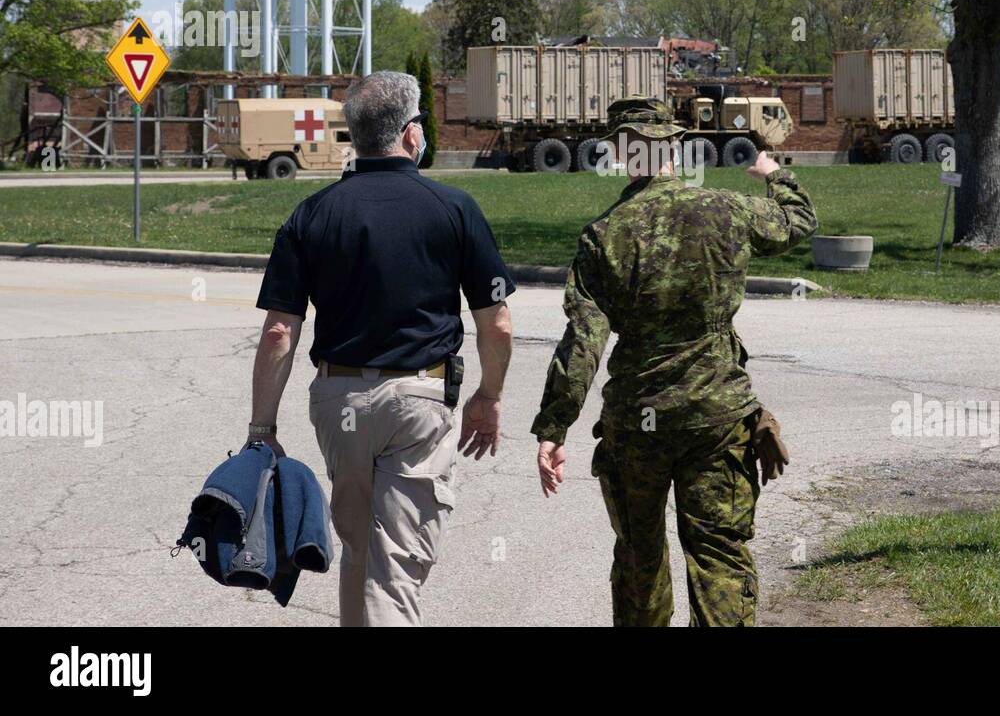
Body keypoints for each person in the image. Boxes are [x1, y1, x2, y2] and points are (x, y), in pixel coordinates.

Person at [531, 96, 814, 626]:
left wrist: (554, 426)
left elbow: (584, 344)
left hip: (636, 424)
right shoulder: (727, 210)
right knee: (719, 555)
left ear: (616, 152)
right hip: (716, 416)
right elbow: (796, 224)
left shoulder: (603, 235)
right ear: (677, 146)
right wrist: (774, 174)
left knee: (639, 557)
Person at [248, 70, 516, 627]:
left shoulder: (312, 213)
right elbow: (498, 324)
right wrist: (489, 396)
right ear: (412, 134)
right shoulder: (454, 208)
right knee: (393, 571)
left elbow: (280, 331)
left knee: (363, 557)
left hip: (338, 401)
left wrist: (261, 431)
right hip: (417, 401)